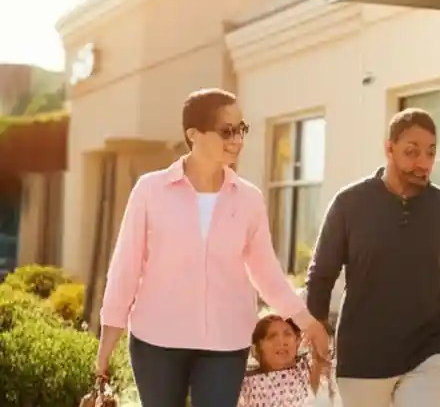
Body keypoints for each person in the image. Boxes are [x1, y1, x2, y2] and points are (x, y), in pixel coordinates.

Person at [94, 88, 330, 407]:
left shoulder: (248, 198)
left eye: (241, 129)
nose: (237, 139)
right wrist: (107, 342)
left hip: (226, 342)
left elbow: (266, 273)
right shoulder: (150, 191)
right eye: (226, 131)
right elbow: (126, 267)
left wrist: (307, 322)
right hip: (157, 340)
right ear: (194, 134)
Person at [305, 108, 440, 406]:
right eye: (411, 152)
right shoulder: (349, 204)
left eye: (430, 153)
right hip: (362, 357)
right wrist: (316, 335)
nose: (423, 162)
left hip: (427, 352)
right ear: (389, 148)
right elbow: (321, 275)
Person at [238, 314, 330, 407]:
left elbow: (321, 346)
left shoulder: (305, 369)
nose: (282, 341)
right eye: (272, 336)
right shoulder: (246, 382)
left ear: (297, 341)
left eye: (287, 334)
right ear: (259, 345)